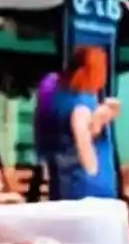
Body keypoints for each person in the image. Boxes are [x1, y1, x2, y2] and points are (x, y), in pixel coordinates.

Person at [47, 47, 120, 200]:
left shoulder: (62, 99)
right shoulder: (82, 102)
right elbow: (83, 138)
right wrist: (92, 172)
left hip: (70, 181)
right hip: (89, 189)